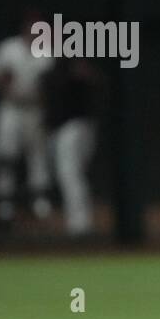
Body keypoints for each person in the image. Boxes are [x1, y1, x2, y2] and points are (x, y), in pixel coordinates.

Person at [0, 9, 53, 231]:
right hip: (11, 108)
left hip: (35, 109)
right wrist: (3, 84)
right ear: (24, 28)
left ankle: (39, 201)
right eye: (31, 26)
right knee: (4, 154)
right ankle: (4, 203)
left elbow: (50, 84)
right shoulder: (9, 47)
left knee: (38, 155)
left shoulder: (47, 50)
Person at [45, 54, 103, 237]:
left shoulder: (73, 65)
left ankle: (80, 224)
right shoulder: (53, 67)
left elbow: (93, 79)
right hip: (62, 128)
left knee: (70, 174)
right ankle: (78, 221)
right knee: (70, 175)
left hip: (75, 127)